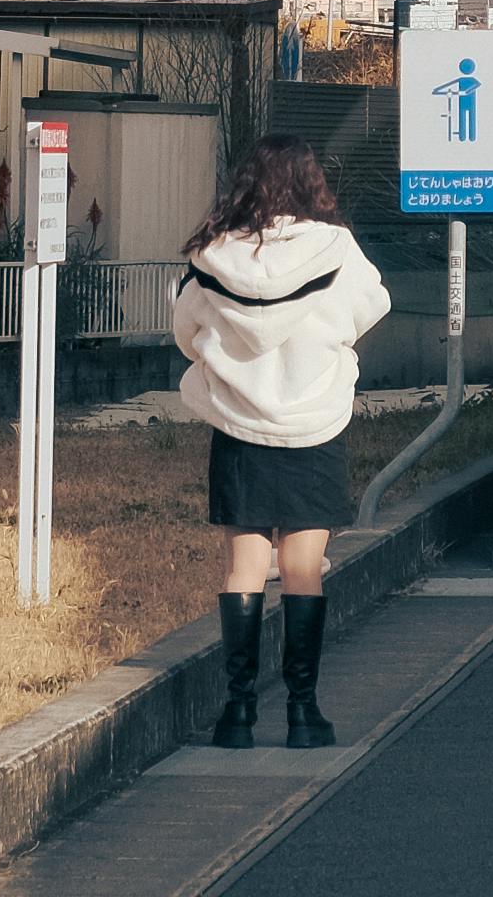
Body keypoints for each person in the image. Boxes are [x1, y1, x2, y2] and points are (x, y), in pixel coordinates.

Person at [169, 135, 391, 748]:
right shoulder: (335, 248)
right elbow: (373, 305)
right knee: (301, 568)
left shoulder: (214, 257)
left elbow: (187, 333)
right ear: (310, 182)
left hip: (240, 431)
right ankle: (302, 713)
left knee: (244, 566)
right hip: (314, 429)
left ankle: (236, 715)